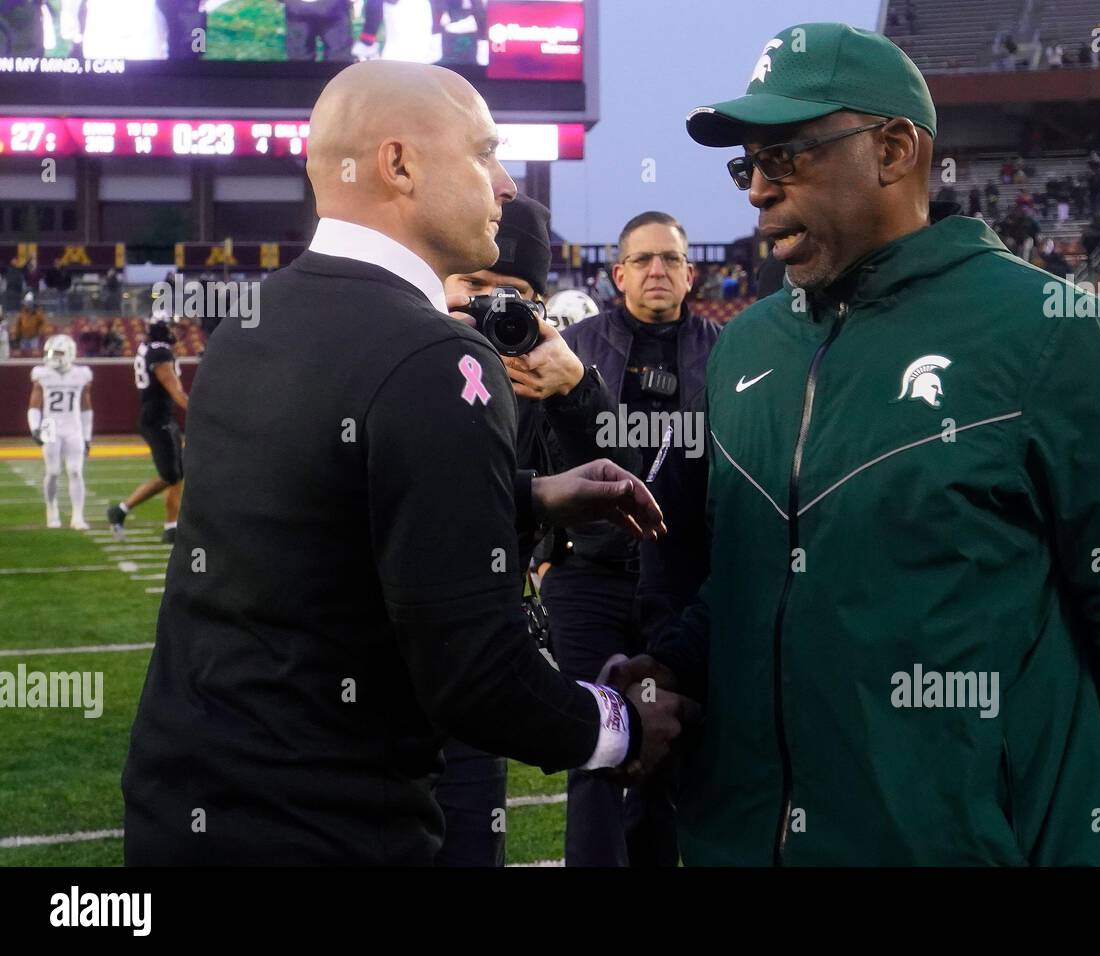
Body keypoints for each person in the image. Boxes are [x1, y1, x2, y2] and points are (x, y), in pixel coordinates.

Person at [605, 22, 1100, 866]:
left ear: (892, 150)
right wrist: (672, 665)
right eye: (748, 165)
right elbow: (757, 576)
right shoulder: (745, 347)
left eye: (785, 157)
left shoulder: (1049, 334)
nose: (756, 191)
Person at [122, 61, 692, 866]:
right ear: (399, 164)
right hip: (328, 822)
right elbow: (477, 674)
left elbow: (326, 516)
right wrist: (622, 726)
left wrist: (526, 496)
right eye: (484, 152)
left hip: (187, 801)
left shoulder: (251, 322)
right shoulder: (433, 354)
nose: (502, 181)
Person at [435, 194, 630, 866]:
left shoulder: (542, 385)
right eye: (476, 287)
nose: (493, 310)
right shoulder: (396, 358)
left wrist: (578, 393)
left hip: (480, 671)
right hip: (378, 676)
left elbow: (618, 518)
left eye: (512, 297)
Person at [542, 210, 721, 866]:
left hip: (677, 579)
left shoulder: (726, 352)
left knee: (666, 740)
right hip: (588, 575)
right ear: (618, 274)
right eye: (643, 260)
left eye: (670, 260)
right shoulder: (575, 345)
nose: (656, 270)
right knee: (595, 740)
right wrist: (540, 557)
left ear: (689, 273)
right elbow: (532, 451)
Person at [108, 318, 189, 544]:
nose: (177, 331)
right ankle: (121, 509)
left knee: (178, 471)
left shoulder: (149, 348)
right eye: (173, 326)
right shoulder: (160, 352)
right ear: (163, 328)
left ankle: (171, 527)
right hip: (157, 419)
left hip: (162, 417)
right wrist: (197, 410)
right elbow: (175, 390)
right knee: (171, 474)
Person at [28, 334, 94, 530]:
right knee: (53, 471)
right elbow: (34, 405)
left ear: (70, 353)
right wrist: (35, 428)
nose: (52, 357)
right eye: (49, 352)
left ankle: (78, 516)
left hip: (73, 427)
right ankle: (51, 509)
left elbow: (85, 407)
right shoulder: (42, 374)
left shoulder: (81, 374)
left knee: (75, 471)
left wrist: (87, 436)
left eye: (57, 353)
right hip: (50, 426)